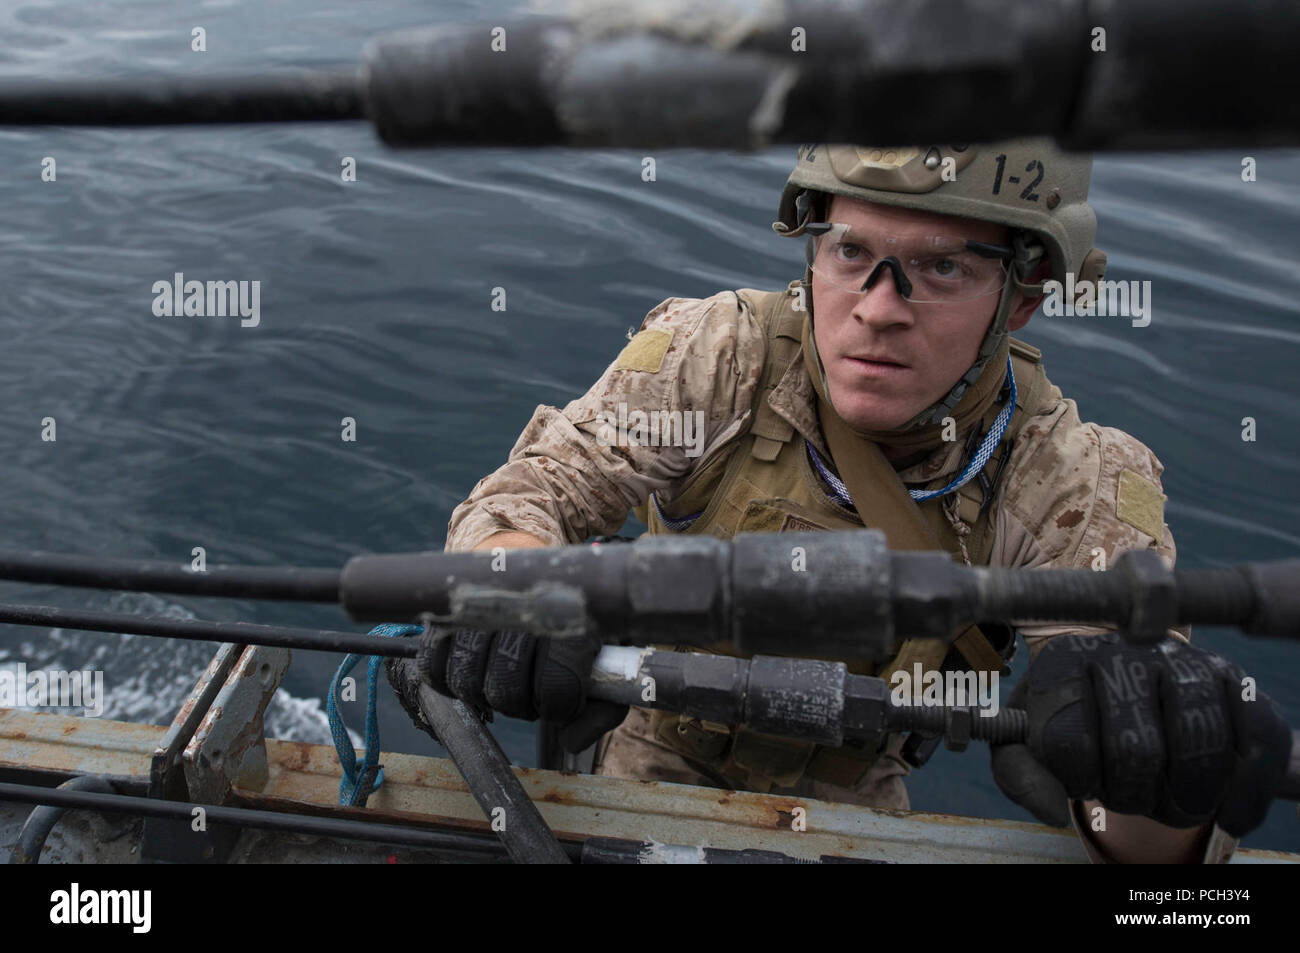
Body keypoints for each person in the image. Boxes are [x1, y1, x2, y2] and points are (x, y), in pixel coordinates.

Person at [390, 140, 1291, 864]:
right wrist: (514, 576)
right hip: (645, 752)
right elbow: (540, 484)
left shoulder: (1065, 474)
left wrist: (1154, 772)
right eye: (851, 252)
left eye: (939, 269)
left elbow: (1136, 811)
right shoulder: (722, 358)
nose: (877, 308)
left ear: (1022, 298)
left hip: (852, 804)